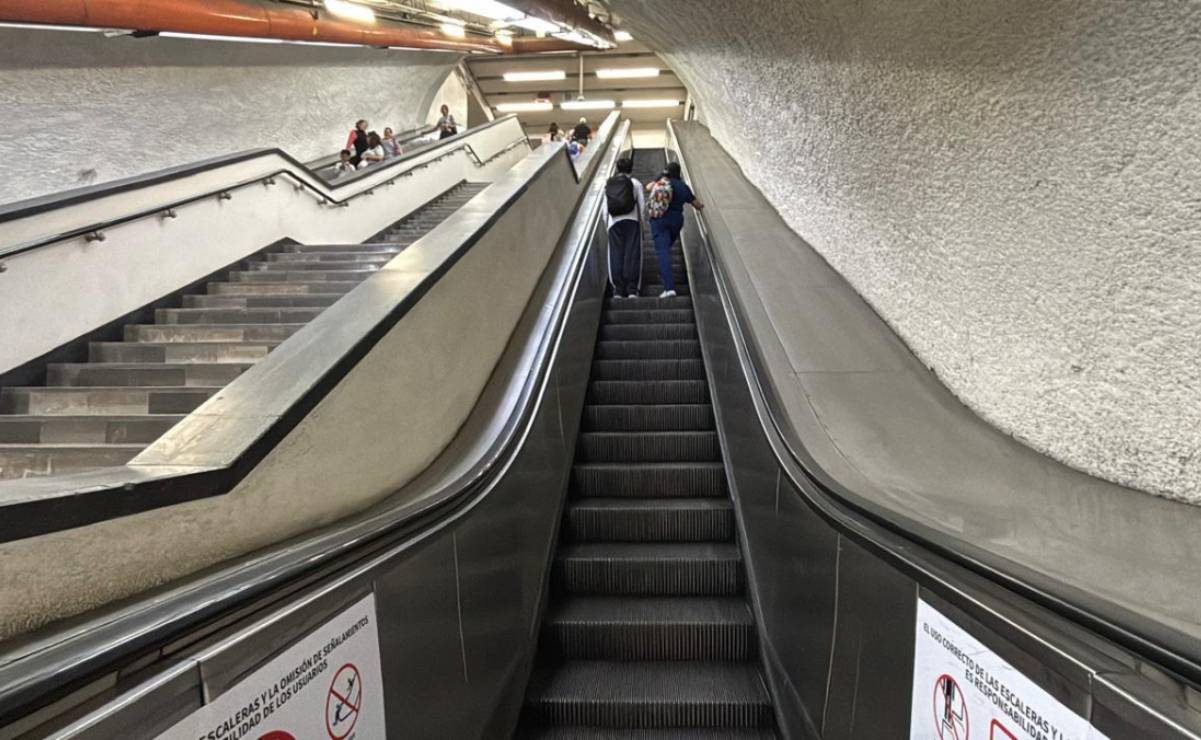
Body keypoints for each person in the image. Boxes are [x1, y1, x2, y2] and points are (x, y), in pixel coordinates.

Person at [646, 162, 704, 298]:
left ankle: (669, 288)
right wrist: (703, 206)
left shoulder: (661, 183)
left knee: (663, 252)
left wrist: (660, 176)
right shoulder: (683, 187)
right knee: (666, 248)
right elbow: (696, 204)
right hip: (676, 221)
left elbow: (648, 187)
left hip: (660, 221)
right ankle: (667, 276)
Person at [604, 157, 646, 299]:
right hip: (632, 222)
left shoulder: (610, 184)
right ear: (631, 168)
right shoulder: (635, 183)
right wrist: (642, 223)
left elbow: (605, 209)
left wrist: (607, 224)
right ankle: (632, 290)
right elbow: (642, 206)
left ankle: (618, 291)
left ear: (617, 168)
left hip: (614, 223)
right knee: (632, 255)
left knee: (615, 255)